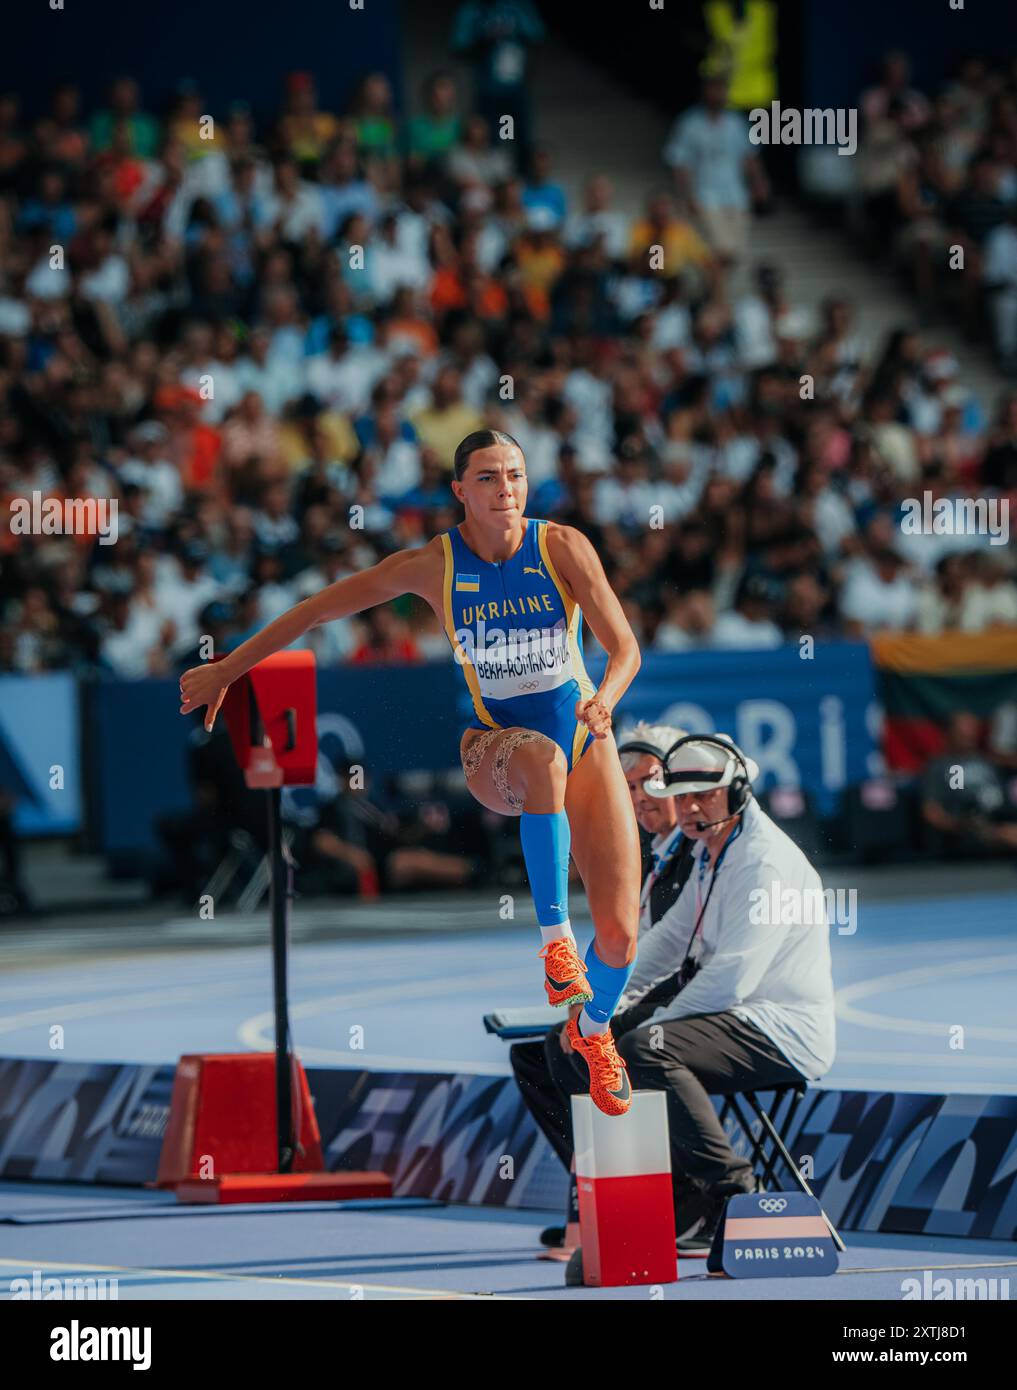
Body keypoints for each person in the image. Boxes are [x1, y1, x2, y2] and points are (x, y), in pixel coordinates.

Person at [179, 429, 644, 1114]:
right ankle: (554, 945)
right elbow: (318, 609)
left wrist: (603, 700)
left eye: (514, 474)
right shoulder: (434, 565)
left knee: (623, 933)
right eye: (487, 477)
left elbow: (624, 646)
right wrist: (228, 667)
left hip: (585, 733)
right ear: (459, 491)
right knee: (542, 764)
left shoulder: (562, 546)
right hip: (496, 746)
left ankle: (591, 1030)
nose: (505, 489)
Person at [613, 732, 836, 1251]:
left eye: (703, 796)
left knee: (647, 1048)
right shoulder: (714, 848)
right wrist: (605, 1001)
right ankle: (673, 1196)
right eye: (682, 796)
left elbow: (731, 981)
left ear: (736, 794)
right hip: (742, 1017)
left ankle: (735, 1192)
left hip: (783, 1030)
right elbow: (668, 940)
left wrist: (648, 1023)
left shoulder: (762, 863)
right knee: (593, 1041)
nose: (688, 808)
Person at [509, 720, 695, 1245]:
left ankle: (657, 1198)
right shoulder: (649, 854)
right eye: (628, 787)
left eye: (649, 783)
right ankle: (602, 1192)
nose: (638, 798)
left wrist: (601, 1009)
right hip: (647, 993)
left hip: (690, 1003)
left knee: (571, 1049)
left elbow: (673, 956)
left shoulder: (696, 850)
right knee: (536, 1055)